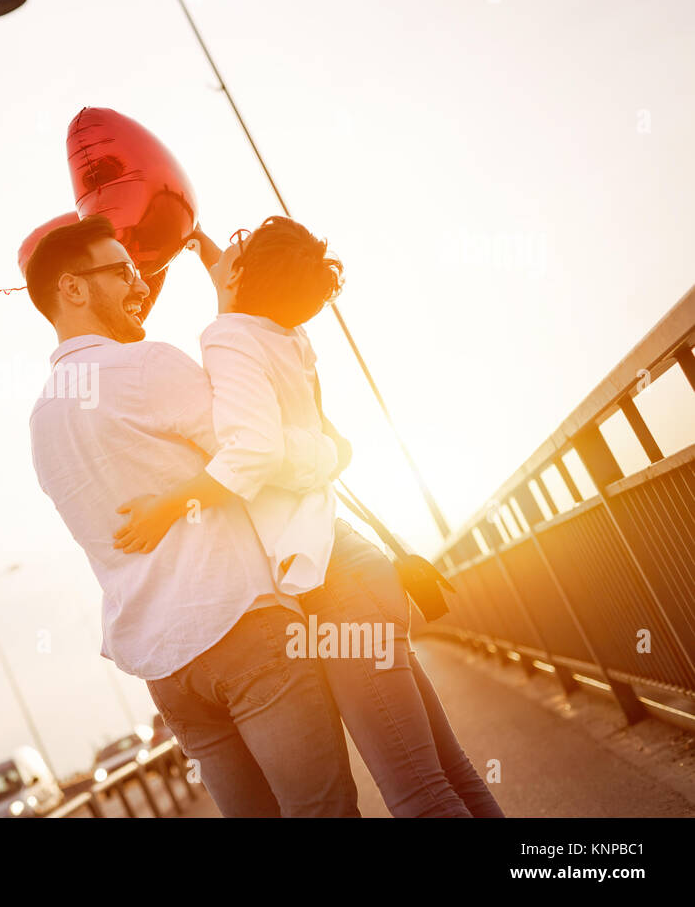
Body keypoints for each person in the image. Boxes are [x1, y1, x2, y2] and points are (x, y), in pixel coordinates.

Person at [112, 215, 504, 817]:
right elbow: (320, 440)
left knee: (420, 795)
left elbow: (255, 450)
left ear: (245, 274)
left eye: (237, 251)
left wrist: (168, 505)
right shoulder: (286, 335)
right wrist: (194, 239)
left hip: (334, 585)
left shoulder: (229, 336)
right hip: (353, 568)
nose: (228, 254)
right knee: (448, 773)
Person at [25, 214, 359, 816]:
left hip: (167, 670)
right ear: (72, 289)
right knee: (323, 811)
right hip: (241, 624)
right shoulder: (145, 365)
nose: (141, 286)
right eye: (123, 272)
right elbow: (262, 453)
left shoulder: (42, 421)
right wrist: (336, 450)